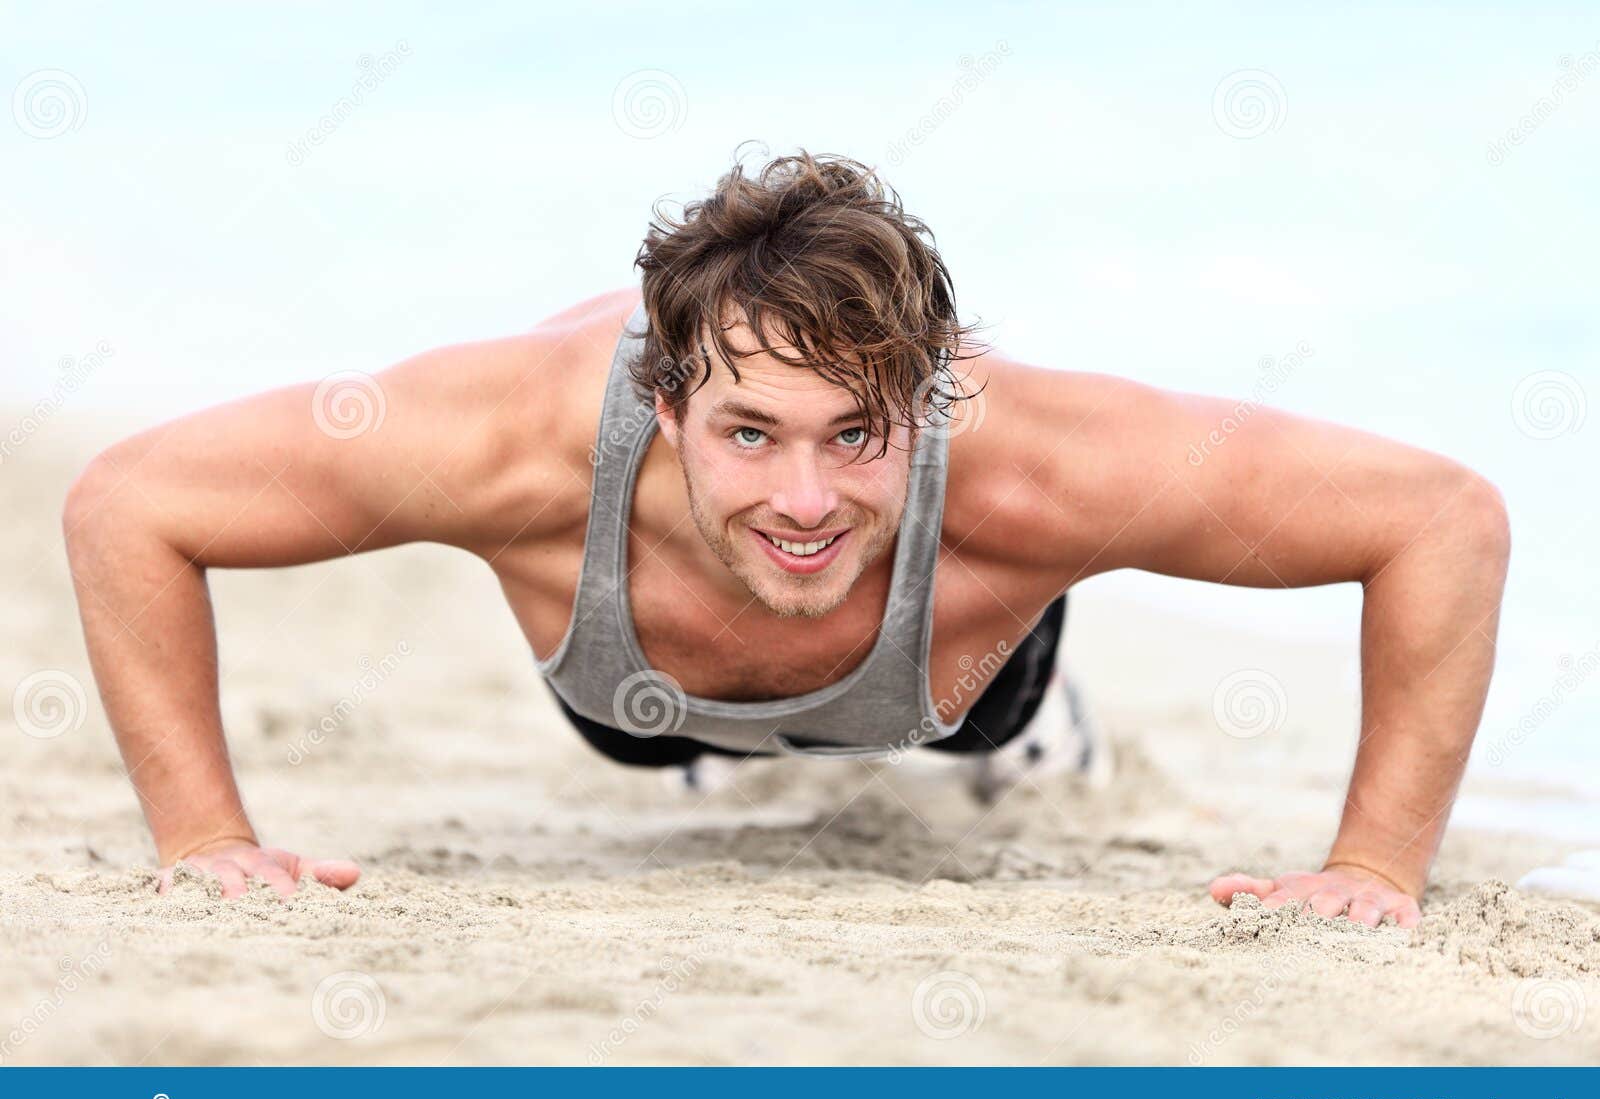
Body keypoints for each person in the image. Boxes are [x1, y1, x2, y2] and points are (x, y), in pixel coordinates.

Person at [62, 150, 1510, 928]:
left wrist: (1376, 867)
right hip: (633, 700)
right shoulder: (505, 438)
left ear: (928, 400)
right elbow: (131, 505)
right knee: (651, 738)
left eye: (859, 434)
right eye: (750, 433)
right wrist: (206, 842)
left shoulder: (1044, 465)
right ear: (668, 398)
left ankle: (1025, 717)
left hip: (950, 680)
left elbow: (1439, 520)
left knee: (979, 724)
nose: (808, 499)